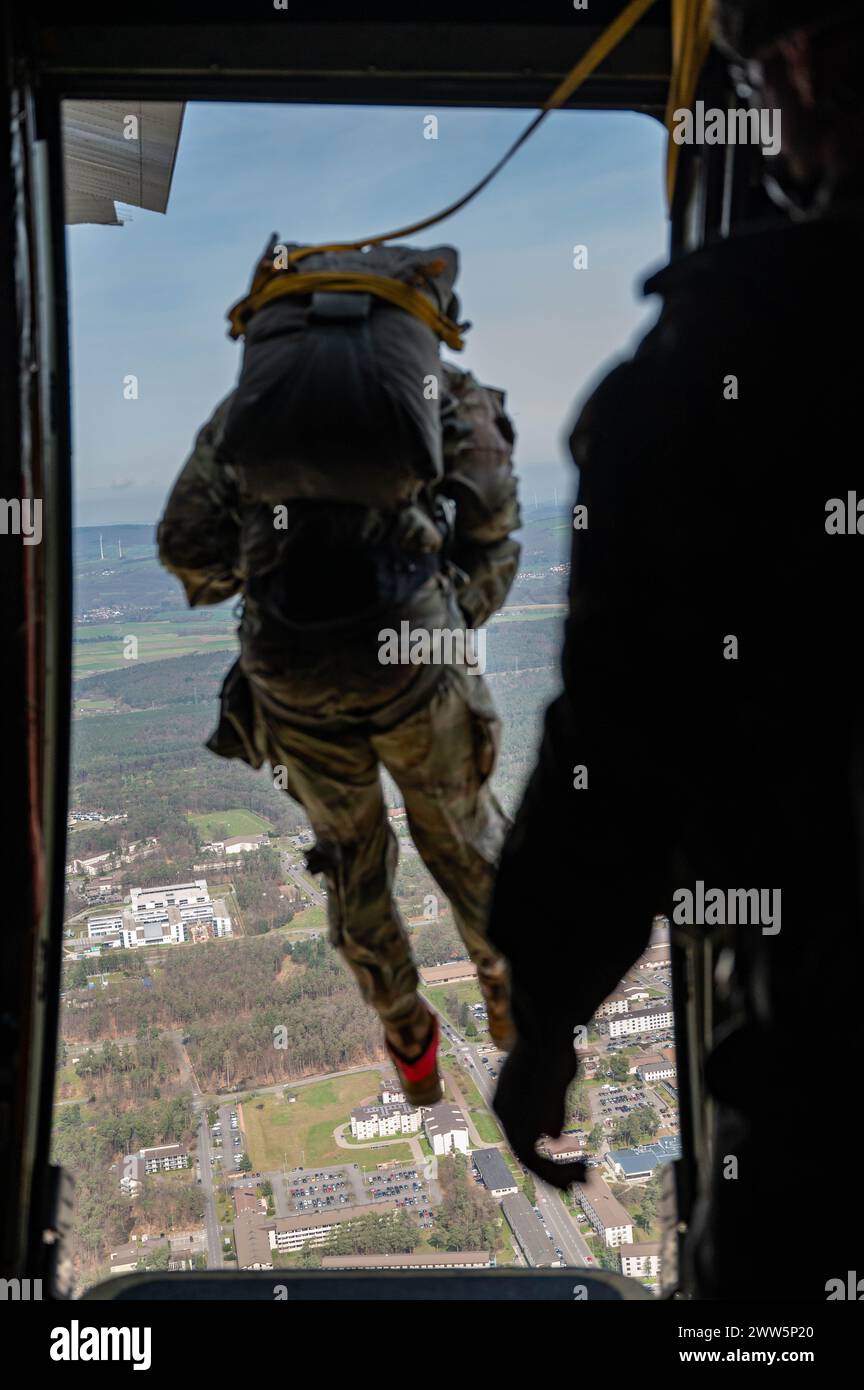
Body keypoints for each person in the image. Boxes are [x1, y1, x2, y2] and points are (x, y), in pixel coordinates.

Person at [487, 0, 864, 1298]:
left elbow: (620, 750)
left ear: (805, 64)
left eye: (756, 70)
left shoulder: (720, 374)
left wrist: (546, 1018)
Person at [158, 256, 521, 1106]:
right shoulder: (440, 385)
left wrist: (256, 578)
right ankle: (512, 1000)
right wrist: (447, 605)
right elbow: (494, 512)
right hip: (410, 657)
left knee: (353, 858)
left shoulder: (251, 412)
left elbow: (185, 543)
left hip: (290, 670)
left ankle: (409, 1039)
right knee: (463, 839)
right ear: (423, 316)